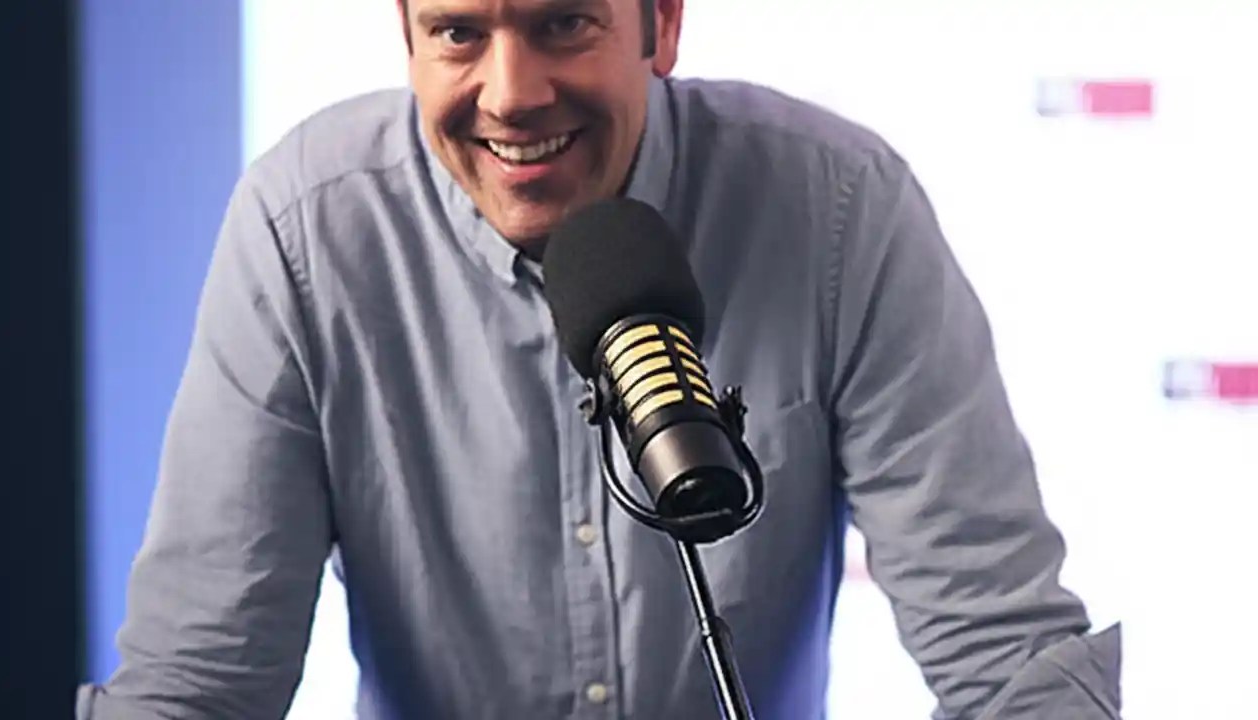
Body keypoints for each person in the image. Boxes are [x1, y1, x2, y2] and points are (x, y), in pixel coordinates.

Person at [78, 1, 1122, 718]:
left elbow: (1003, 662)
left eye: (561, 22)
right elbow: (200, 684)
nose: (510, 93)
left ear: (659, 21)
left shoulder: (840, 209)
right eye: (456, 32)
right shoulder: (303, 230)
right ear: (403, 34)